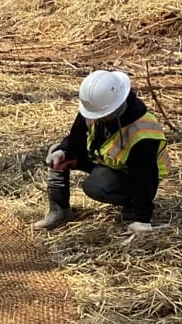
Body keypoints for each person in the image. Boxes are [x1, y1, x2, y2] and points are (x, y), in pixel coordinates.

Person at [34, 69, 169, 233]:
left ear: (116, 108)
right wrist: (64, 151)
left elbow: (144, 176)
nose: (95, 119)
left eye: (101, 115)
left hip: (137, 177)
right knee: (56, 152)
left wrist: (142, 219)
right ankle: (59, 211)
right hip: (106, 160)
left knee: (97, 184)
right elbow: (77, 136)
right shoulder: (96, 107)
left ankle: (132, 205)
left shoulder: (142, 132)